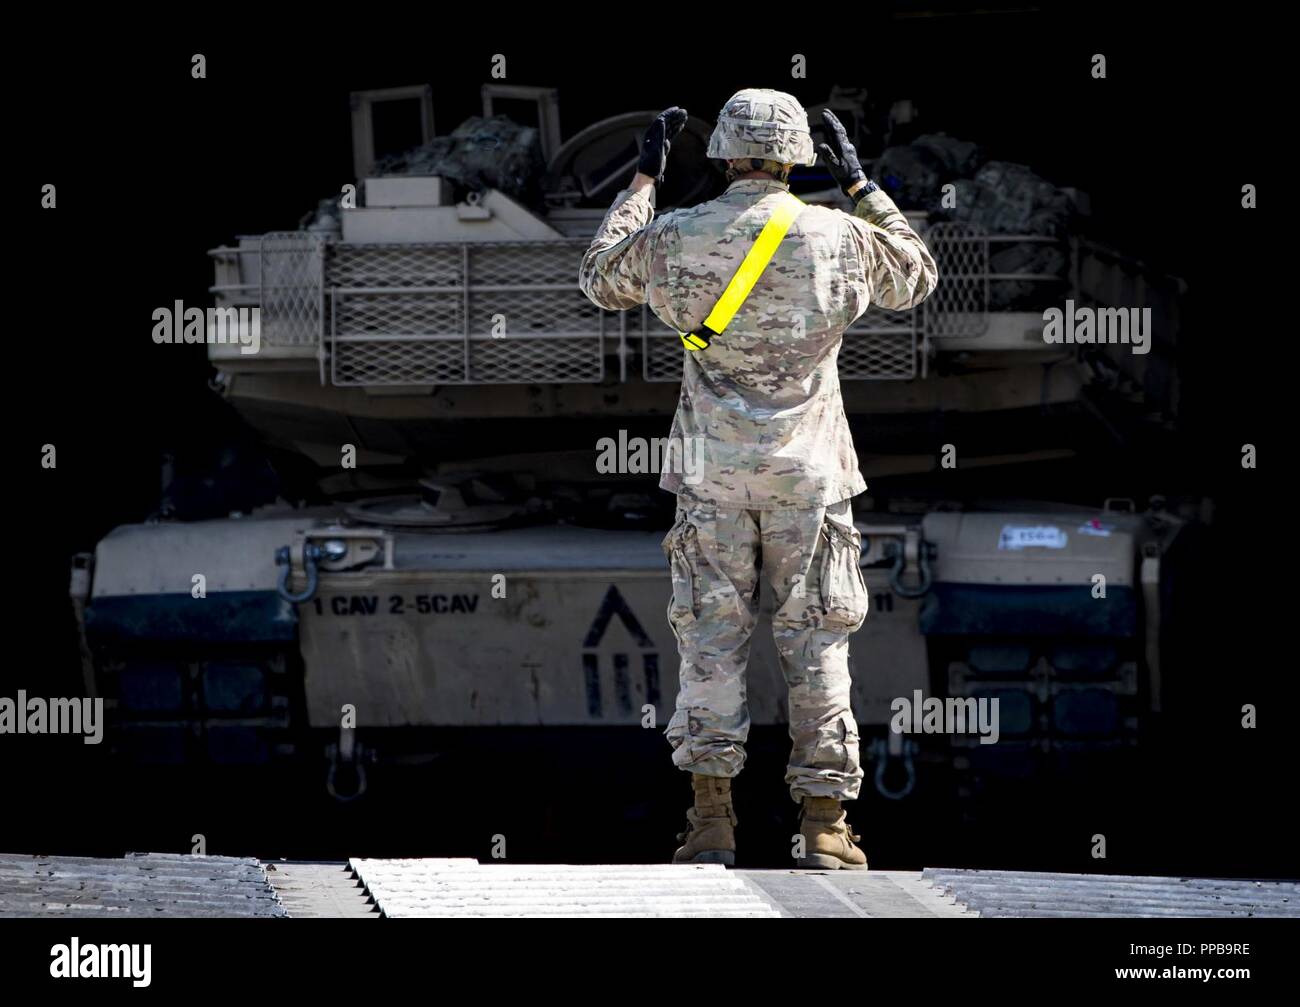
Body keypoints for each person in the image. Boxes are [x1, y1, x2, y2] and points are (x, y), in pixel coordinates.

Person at [578, 89, 937, 869]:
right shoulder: (839, 235)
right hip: (809, 476)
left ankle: (711, 824)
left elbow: (599, 279)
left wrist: (643, 183)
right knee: (817, 645)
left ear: (724, 153)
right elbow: (918, 276)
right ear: (799, 154)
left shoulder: (677, 234)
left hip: (712, 476)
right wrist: (861, 186)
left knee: (710, 644)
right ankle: (825, 828)